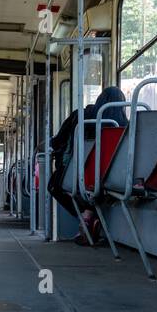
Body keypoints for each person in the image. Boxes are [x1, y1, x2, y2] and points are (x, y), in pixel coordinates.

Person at [46, 85, 127, 243]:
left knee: (55, 186)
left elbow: (58, 142)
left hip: (76, 174)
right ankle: (89, 216)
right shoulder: (124, 127)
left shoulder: (80, 116)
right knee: (97, 189)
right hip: (111, 178)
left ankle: (85, 215)